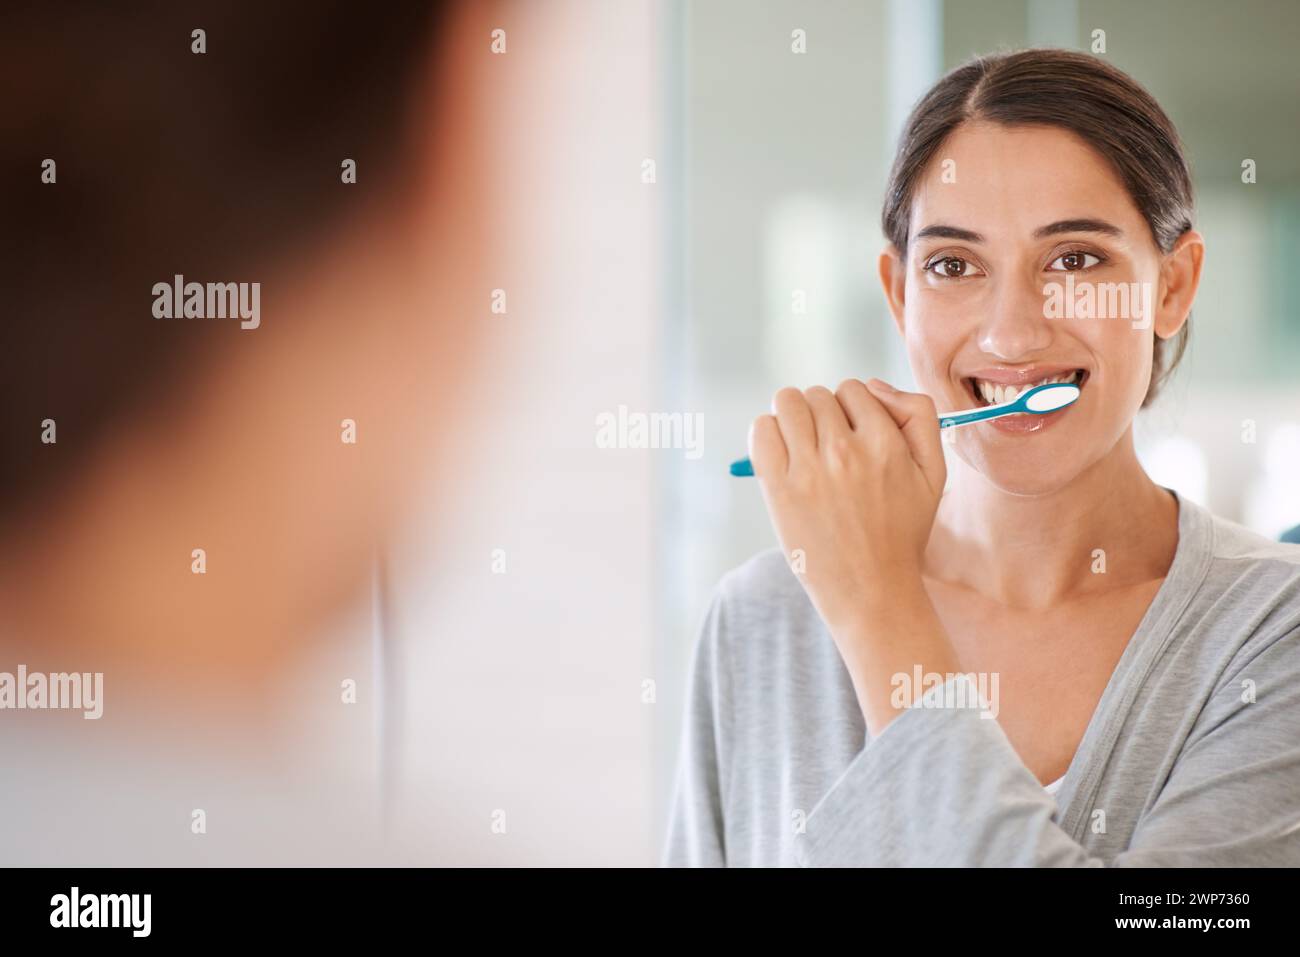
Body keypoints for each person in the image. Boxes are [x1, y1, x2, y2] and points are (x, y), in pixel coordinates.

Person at [664, 48, 1300, 867]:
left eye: (1074, 259)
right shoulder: (759, 621)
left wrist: (879, 610)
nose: (1011, 334)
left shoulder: (1272, 635)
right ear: (899, 295)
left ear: (1171, 288)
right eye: (953, 265)